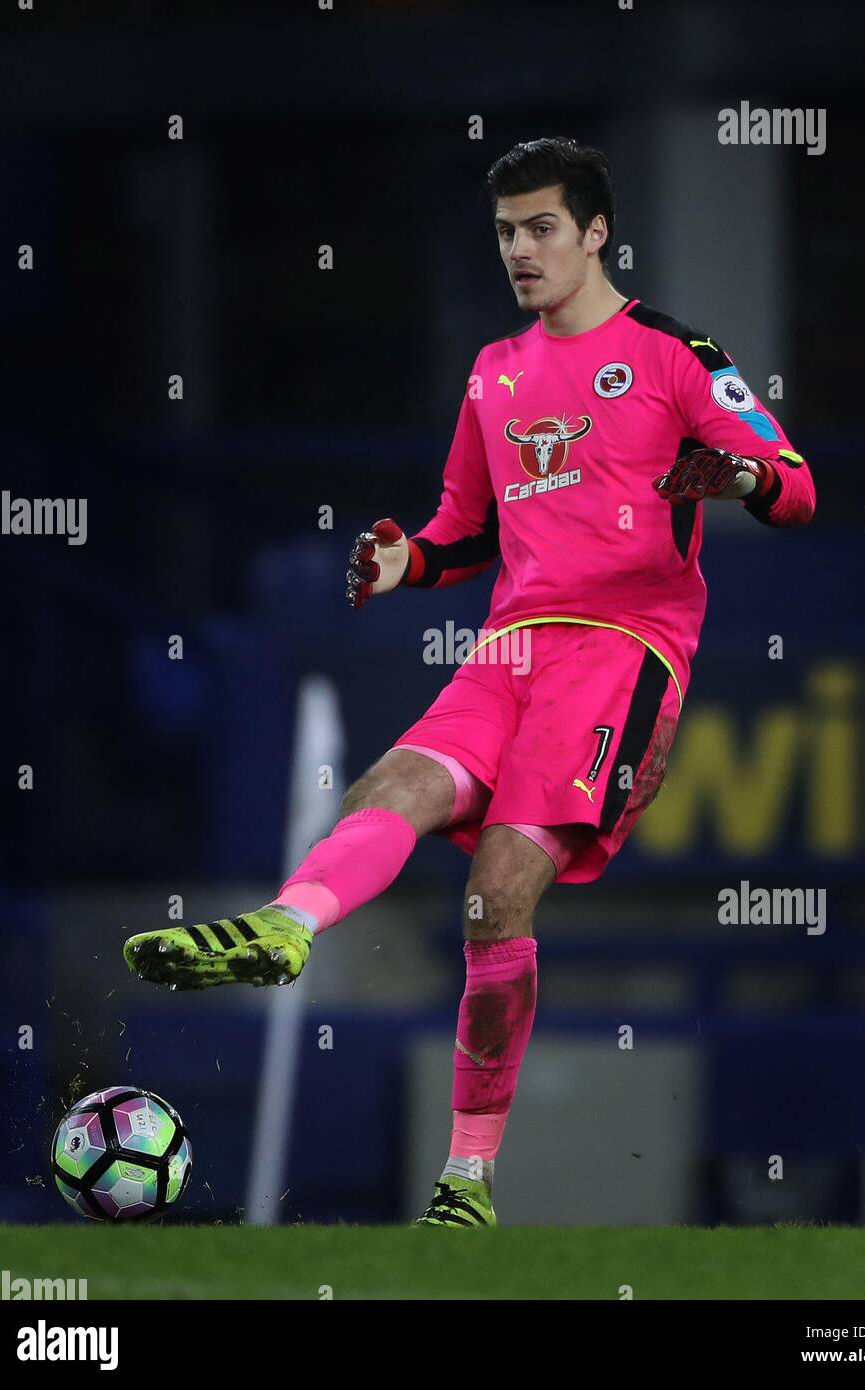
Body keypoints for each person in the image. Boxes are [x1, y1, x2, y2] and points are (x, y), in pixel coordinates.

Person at [124, 136, 815, 1227]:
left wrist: (734, 471)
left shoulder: (678, 353)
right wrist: (405, 560)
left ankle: (466, 1180)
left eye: (541, 227)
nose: (520, 250)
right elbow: (461, 529)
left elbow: (795, 487)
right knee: (384, 789)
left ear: (594, 232)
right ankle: (284, 927)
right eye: (504, 232)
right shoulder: (494, 373)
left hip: (621, 649)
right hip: (506, 647)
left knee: (493, 893)